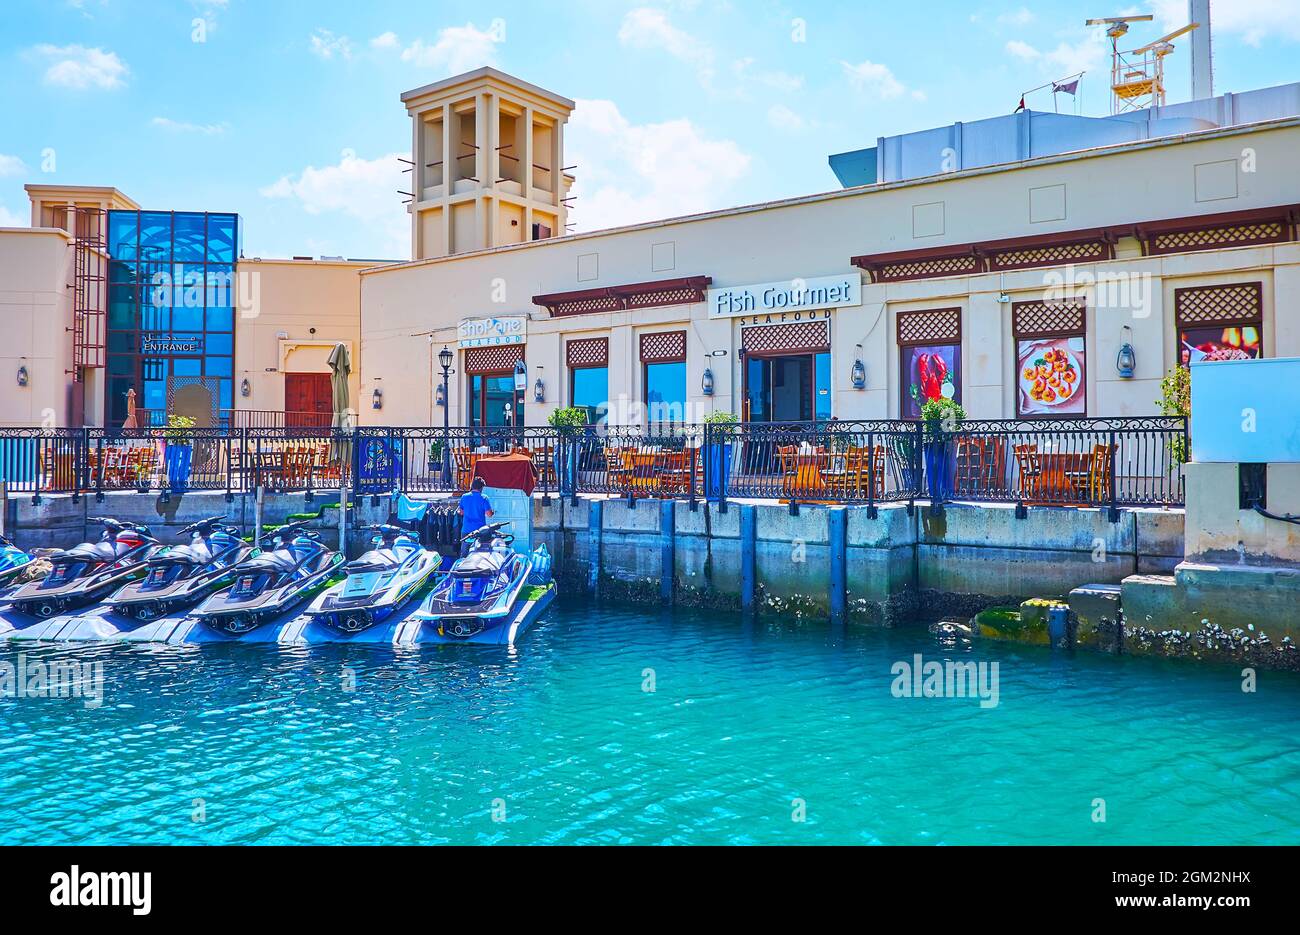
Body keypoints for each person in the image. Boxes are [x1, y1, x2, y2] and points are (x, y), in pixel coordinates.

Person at [457, 477, 494, 553]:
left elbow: (461, 512)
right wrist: (493, 512)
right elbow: (489, 514)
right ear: (481, 488)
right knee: (481, 554)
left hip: (466, 530)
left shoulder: (464, 497)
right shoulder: (484, 498)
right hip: (480, 531)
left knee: (464, 554)